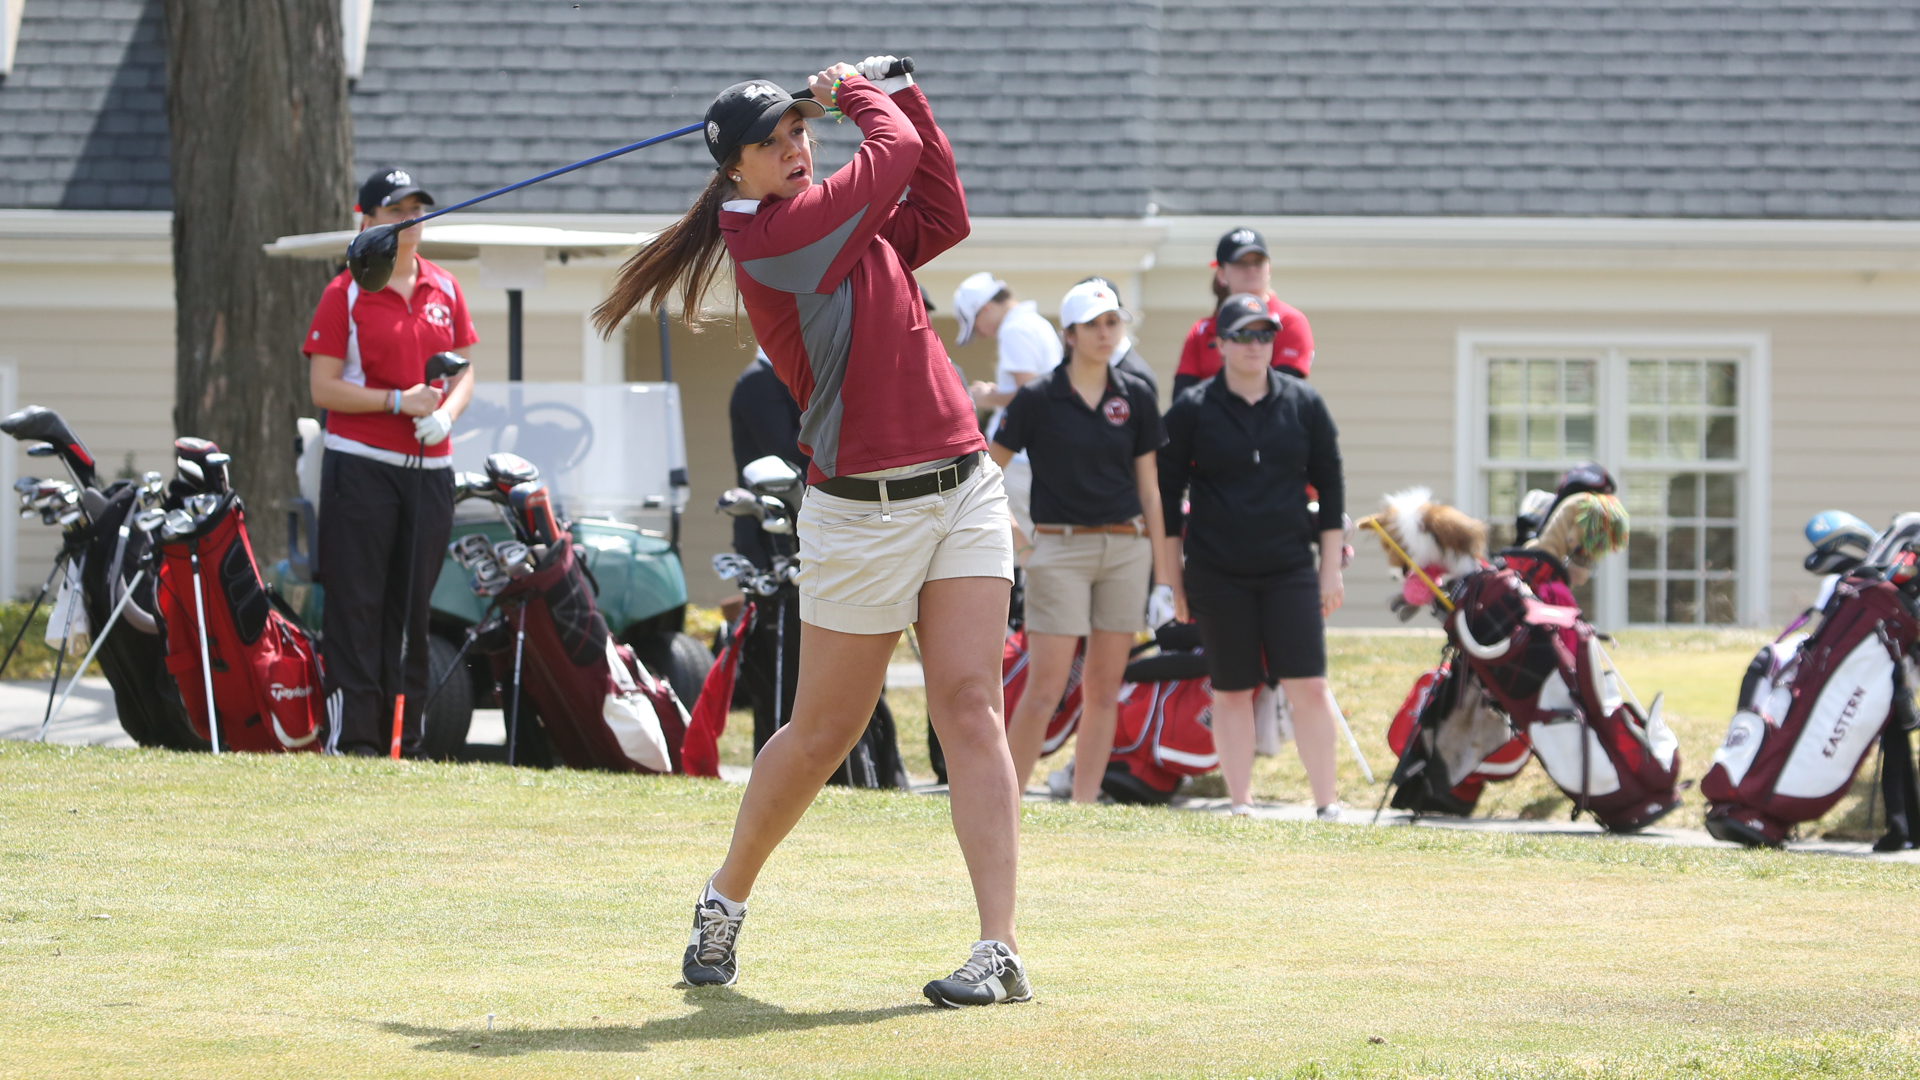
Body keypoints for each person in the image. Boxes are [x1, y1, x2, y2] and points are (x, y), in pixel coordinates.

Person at [593, 57, 1027, 1007]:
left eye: (801, 131)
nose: (797, 147)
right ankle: (725, 896)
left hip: (962, 485)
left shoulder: (842, 226)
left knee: (969, 706)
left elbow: (941, 209)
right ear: (735, 171)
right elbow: (892, 154)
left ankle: (998, 948)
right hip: (863, 512)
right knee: (825, 730)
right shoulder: (773, 239)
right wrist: (860, 96)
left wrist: (905, 92)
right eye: (775, 140)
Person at [302, 167, 476, 757]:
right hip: (360, 466)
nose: (409, 220)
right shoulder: (344, 292)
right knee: (358, 606)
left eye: (416, 209)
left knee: (412, 610)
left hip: (430, 469)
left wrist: (446, 414)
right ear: (368, 221)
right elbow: (324, 388)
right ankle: (355, 741)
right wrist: (397, 402)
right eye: (396, 211)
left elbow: (464, 371)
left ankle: (406, 741)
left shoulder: (445, 287)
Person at [1159, 294, 1346, 819]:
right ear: (1219, 343)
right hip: (1216, 571)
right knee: (1232, 688)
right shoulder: (1192, 409)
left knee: (1309, 685)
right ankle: (1240, 802)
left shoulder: (1304, 404)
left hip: (1290, 568)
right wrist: (1172, 579)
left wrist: (1330, 569)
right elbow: (1166, 500)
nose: (1254, 345)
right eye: (1242, 334)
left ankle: (1327, 805)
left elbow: (1331, 487)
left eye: (1264, 334)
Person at [990, 280, 1172, 801]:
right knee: (1045, 688)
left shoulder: (1136, 393)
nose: (1105, 333)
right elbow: (985, 472)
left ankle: (1083, 807)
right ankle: (1003, 803)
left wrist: (1163, 578)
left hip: (1127, 550)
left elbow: (1150, 491)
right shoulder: (1037, 397)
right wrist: (1023, 544)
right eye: (1093, 324)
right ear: (1068, 334)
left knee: (1104, 689)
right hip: (1058, 551)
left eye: (1112, 322)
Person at [953, 272, 1062, 552]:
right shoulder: (1035, 323)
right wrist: (996, 393)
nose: (981, 333)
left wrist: (986, 398)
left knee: (1019, 550)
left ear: (987, 308)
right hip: (1036, 456)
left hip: (1019, 459)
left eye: (976, 324)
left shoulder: (1014, 329)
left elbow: (1029, 394)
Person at [1171, 228, 1314, 397]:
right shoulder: (1202, 330)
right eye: (1241, 263)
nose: (1251, 269)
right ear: (1221, 274)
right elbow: (1183, 398)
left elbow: (1284, 396)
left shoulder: (1289, 321)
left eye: (1258, 262)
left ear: (1269, 268)